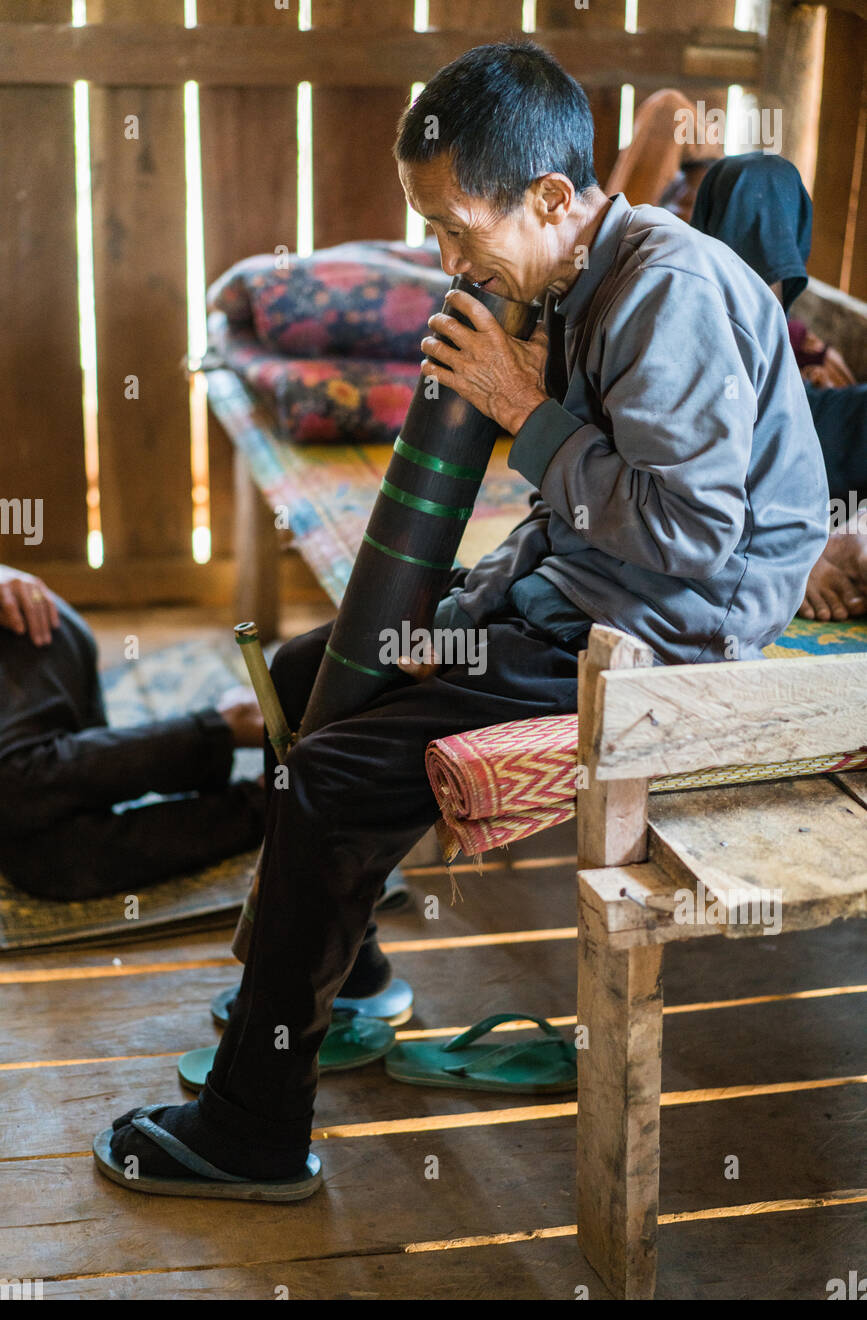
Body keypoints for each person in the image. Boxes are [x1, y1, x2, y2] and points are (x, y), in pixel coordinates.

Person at [96, 40, 828, 1201]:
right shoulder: (570, 277)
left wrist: (520, 408)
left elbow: (687, 539)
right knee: (310, 670)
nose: (444, 262)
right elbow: (577, 523)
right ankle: (355, 978)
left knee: (334, 775)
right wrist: (462, 602)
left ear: (551, 199)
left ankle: (253, 1127)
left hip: (664, 644)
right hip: (583, 598)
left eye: (454, 230)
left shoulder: (667, 289)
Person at [0, 563, 266, 900]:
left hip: (24, 627)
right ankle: (262, 800)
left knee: (15, 781)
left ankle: (225, 728)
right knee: (47, 860)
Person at [689, 153, 867, 622]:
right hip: (744, 482)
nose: (757, 298)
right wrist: (792, 561)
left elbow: (775, 389)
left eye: (770, 281)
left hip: (796, 443)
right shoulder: (671, 324)